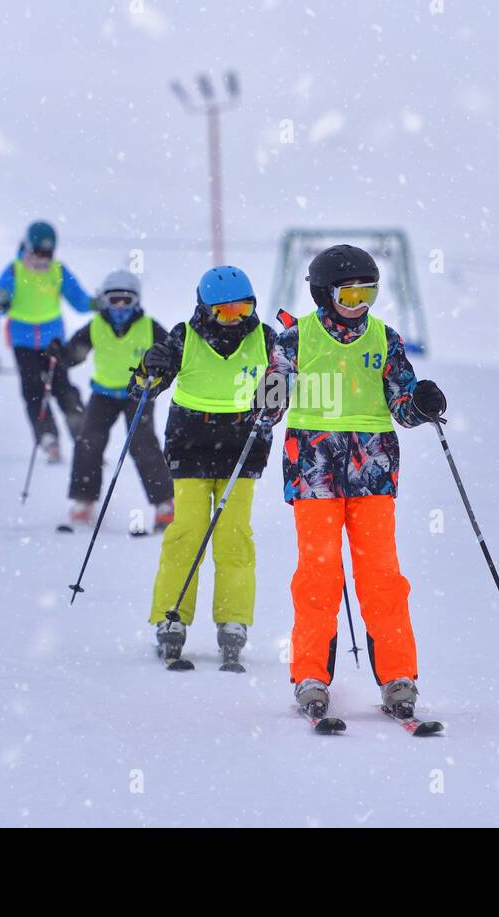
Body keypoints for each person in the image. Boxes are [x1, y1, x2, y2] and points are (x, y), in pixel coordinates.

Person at [267, 244, 446, 720]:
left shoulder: (385, 340)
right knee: (318, 578)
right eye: (350, 293)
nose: (360, 303)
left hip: (372, 472)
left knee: (382, 578)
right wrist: (264, 404)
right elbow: (271, 398)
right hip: (314, 472)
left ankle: (397, 676)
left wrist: (423, 402)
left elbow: (403, 405)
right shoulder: (293, 339)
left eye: (368, 292)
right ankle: (310, 675)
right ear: (325, 294)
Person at [128, 265, 277, 671]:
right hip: (191, 446)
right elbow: (143, 390)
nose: (237, 319)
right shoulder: (184, 336)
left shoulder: (265, 339)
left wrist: (271, 405)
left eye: (243, 309)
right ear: (204, 310)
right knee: (186, 533)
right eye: (225, 312)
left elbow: (279, 392)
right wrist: (148, 368)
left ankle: (233, 621)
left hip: (242, 450)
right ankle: (170, 617)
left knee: (234, 537)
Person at [61, 271, 173, 528]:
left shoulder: (148, 326)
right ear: (104, 302)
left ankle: (164, 503)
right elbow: (75, 354)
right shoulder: (96, 325)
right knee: (89, 440)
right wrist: (62, 354)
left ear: (136, 302)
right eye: (114, 301)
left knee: (142, 444)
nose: (120, 307)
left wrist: (161, 367)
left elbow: (171, 352)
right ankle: (83, 499)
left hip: (138, 393)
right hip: (103, 393)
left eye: (126, 301)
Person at [0, 221, 94, 463]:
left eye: (47, 254)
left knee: (63, 388)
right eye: (37, 253)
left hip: (53, 341)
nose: (42, 260)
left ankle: (82, 435)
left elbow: (78, 301)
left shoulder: (57, 271)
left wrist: (98, 303)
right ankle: (48, 438)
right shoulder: (15, 270)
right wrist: (1, 301)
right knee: (33, 390)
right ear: (27, 247)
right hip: (22, 341)